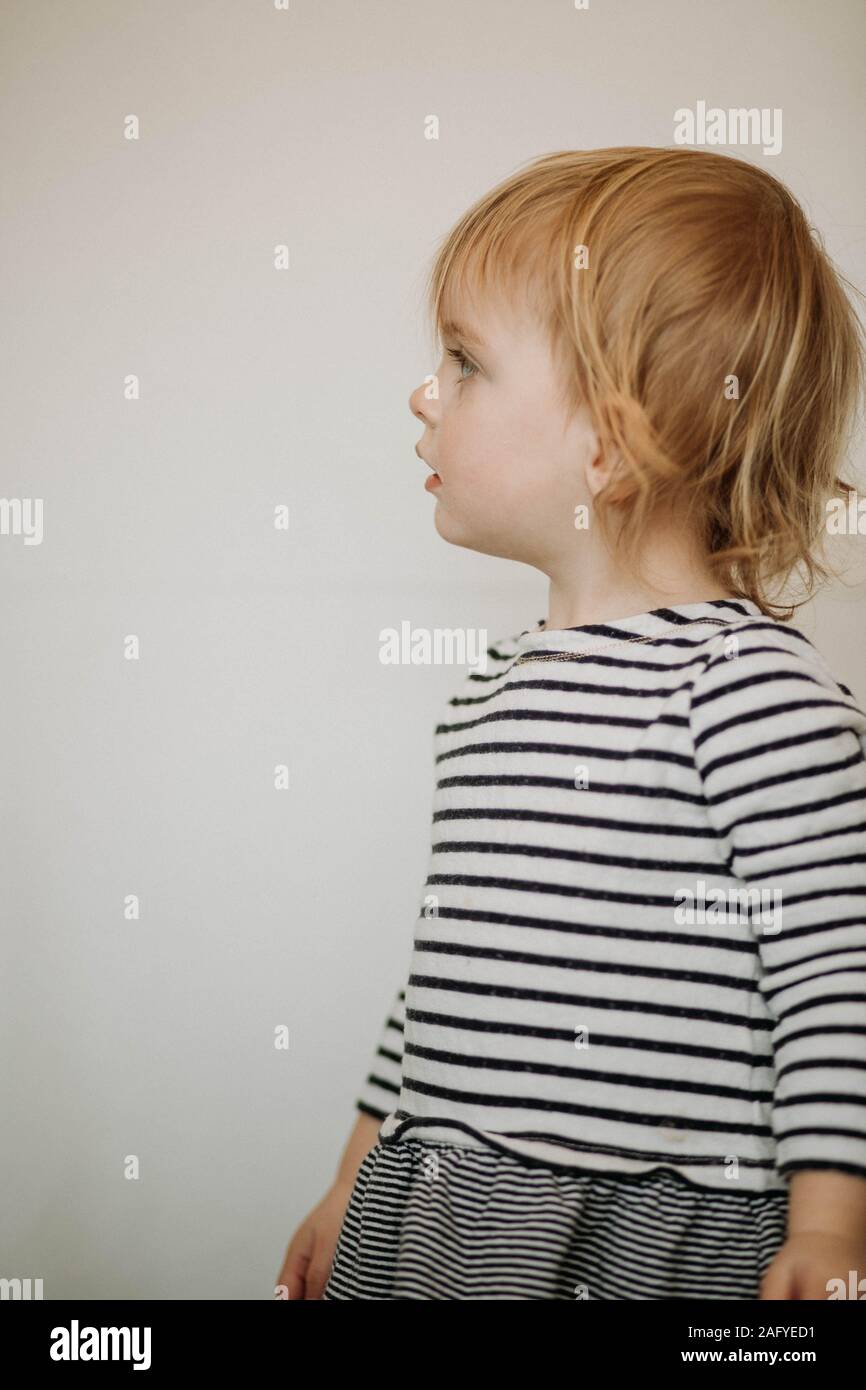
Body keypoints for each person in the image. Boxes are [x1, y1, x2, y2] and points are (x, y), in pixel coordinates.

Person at [278, 147, 866, 1300]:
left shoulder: (745, 694)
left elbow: (836, 977)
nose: (422, 391)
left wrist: (834, 1229)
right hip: (446, 1218)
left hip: (635, 1241)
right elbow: (442, 982)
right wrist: (356, 1174)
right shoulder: (490, 693)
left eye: (463, 362)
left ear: (610, 439)